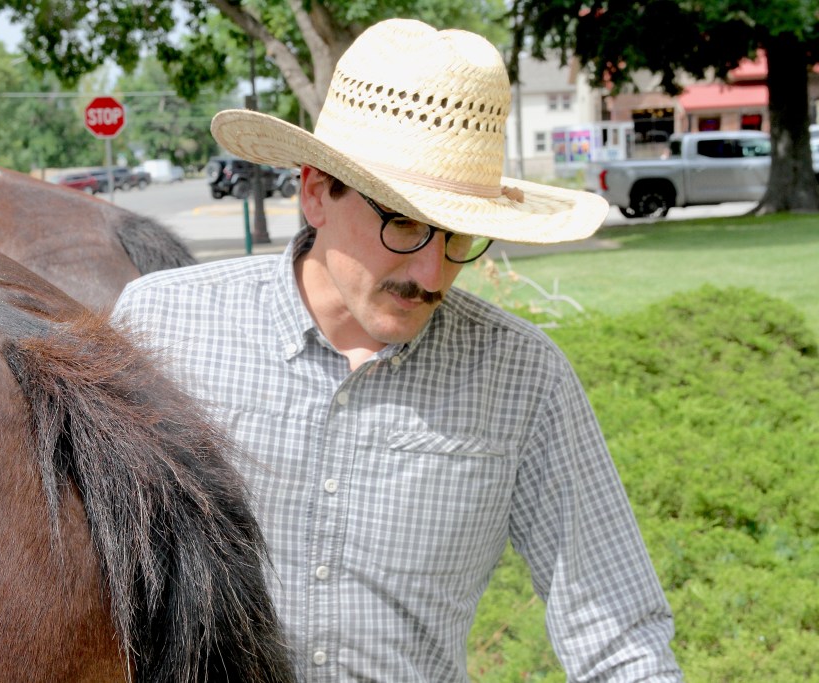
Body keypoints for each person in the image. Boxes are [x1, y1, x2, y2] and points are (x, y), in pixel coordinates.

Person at [113, 18, 683, 682]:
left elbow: (618, 636)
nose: (434, 273)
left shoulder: (523, 378)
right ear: (316, 191)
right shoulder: (163, 324)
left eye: (459, 236)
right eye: (405, 222)